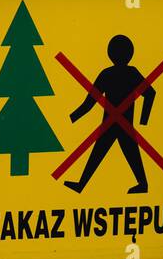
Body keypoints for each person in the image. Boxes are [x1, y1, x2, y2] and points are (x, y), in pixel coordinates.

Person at [64, 34, 154, 194]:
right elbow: (150, 94)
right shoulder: (127, 73)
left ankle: (82, 184)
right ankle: (82, 184)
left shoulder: (109, 74)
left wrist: (144, 120)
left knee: (120, 154)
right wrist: (70, 118)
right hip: (118, 123)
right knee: (107, 153)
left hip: (116, 124)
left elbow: (88, 104)